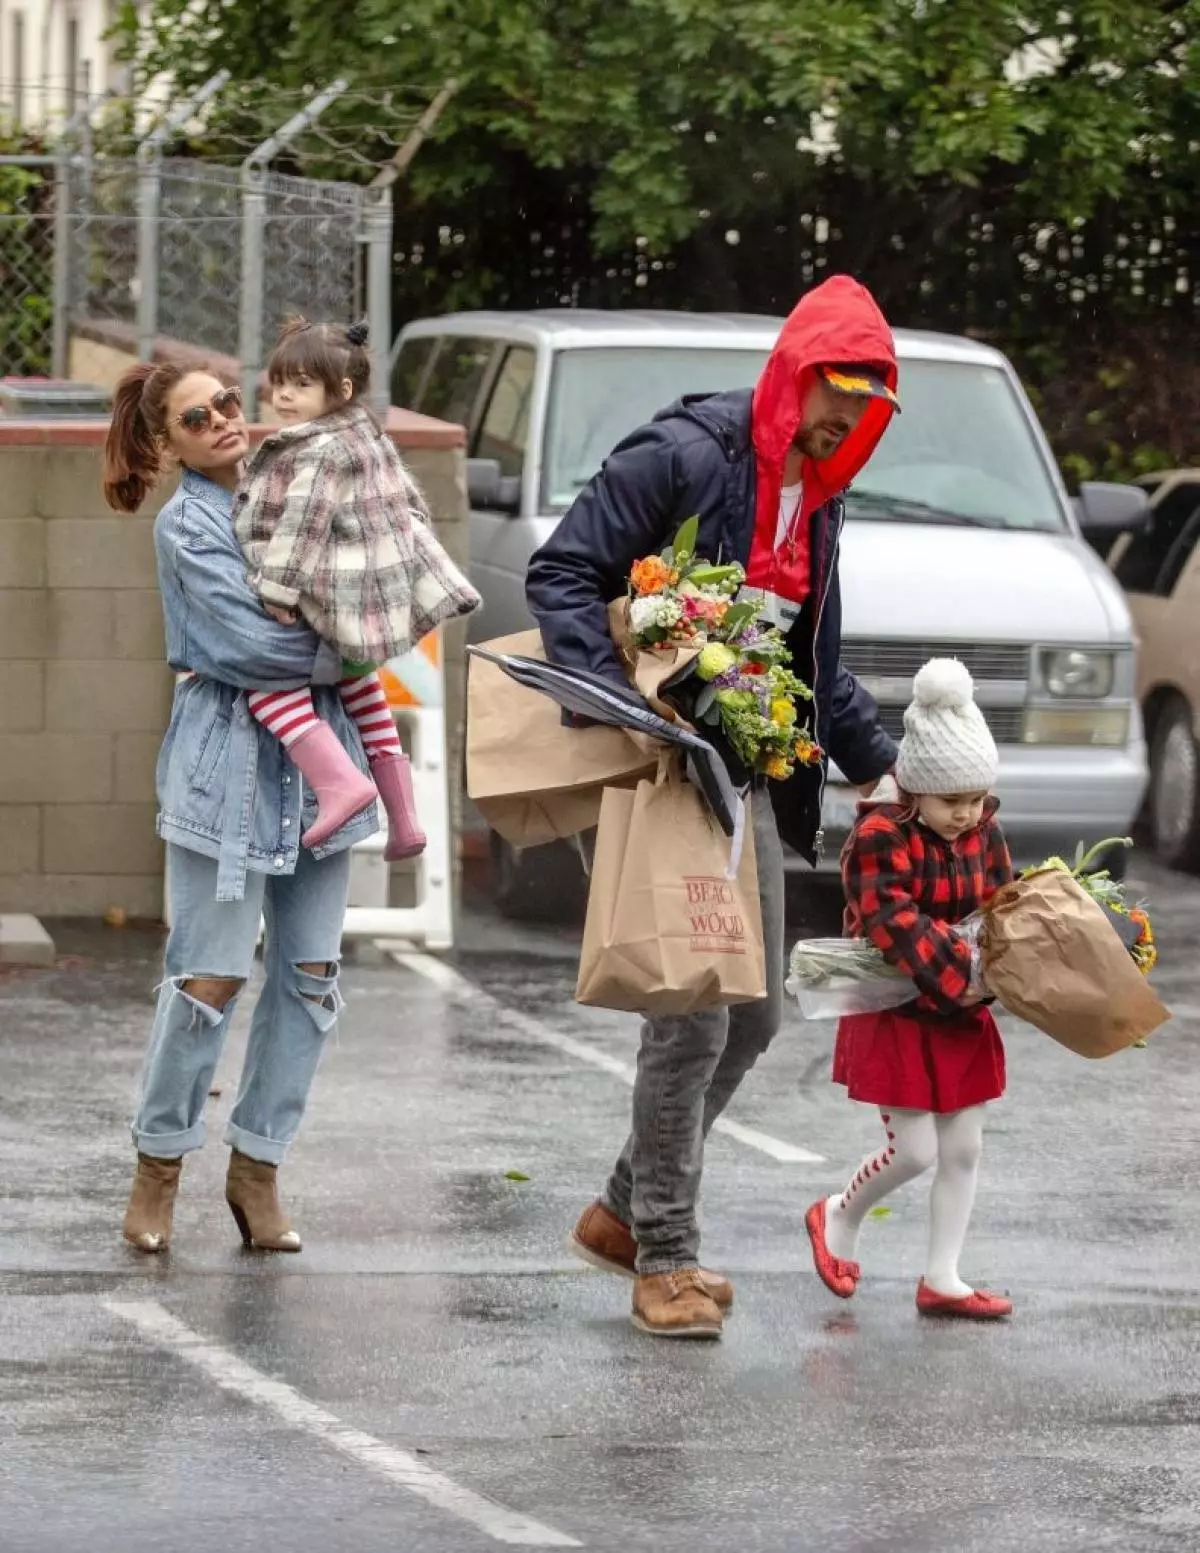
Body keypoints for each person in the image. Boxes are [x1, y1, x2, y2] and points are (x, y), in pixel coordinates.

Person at [526, 274, 901, 1339]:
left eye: (866, 402)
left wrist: (886, 771)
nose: (845, 416)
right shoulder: (688, 454)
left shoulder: (820, 495)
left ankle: (617, 1211)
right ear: (793, 372)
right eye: (834, 390)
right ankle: (666, 1258)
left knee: (756, 1012)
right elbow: (563, 573)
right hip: (672, 765)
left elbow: (811, 666)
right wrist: (626, 702)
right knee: (691, 1016)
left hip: (749, 777)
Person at [102, 360, 377, 1255]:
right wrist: (348, 641)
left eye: (226, 403)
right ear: (165, 441)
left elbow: (375, 580)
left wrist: (351, 627)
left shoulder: (293, 483)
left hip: (321, 765)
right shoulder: (187, 526)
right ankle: (160, 1163)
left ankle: (257, 1168)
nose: (223, 419)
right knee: (207, 981)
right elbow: (253, 646)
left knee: (311, 980)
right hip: (226, 770)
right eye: (196, 416)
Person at [805, 658, 1015, 1320]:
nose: (967, 815)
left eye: (977, 799)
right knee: (915, 1148)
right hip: (897, 1002)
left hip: (961, 1001)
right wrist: (966, 967)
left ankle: (943, 1276)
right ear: (916, 788)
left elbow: (1002, 899)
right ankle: (837, 1212)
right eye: (953, 802)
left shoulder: (983, 826)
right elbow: (892, 922)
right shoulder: (879, 834)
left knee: (964, 1145)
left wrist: (1027, 949)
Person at [235, 317, 480, 861]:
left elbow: (302, 522)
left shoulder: (320, 450)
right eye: (279, 382)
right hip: (363, 608)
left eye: (300, 384)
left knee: (264, 680)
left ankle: (340, 784)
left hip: (325, 603)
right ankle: (405, 818)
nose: (284, 395)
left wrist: (276, 591)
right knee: (361, 686)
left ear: (341, 391)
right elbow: (409, 502)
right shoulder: (367, 436)